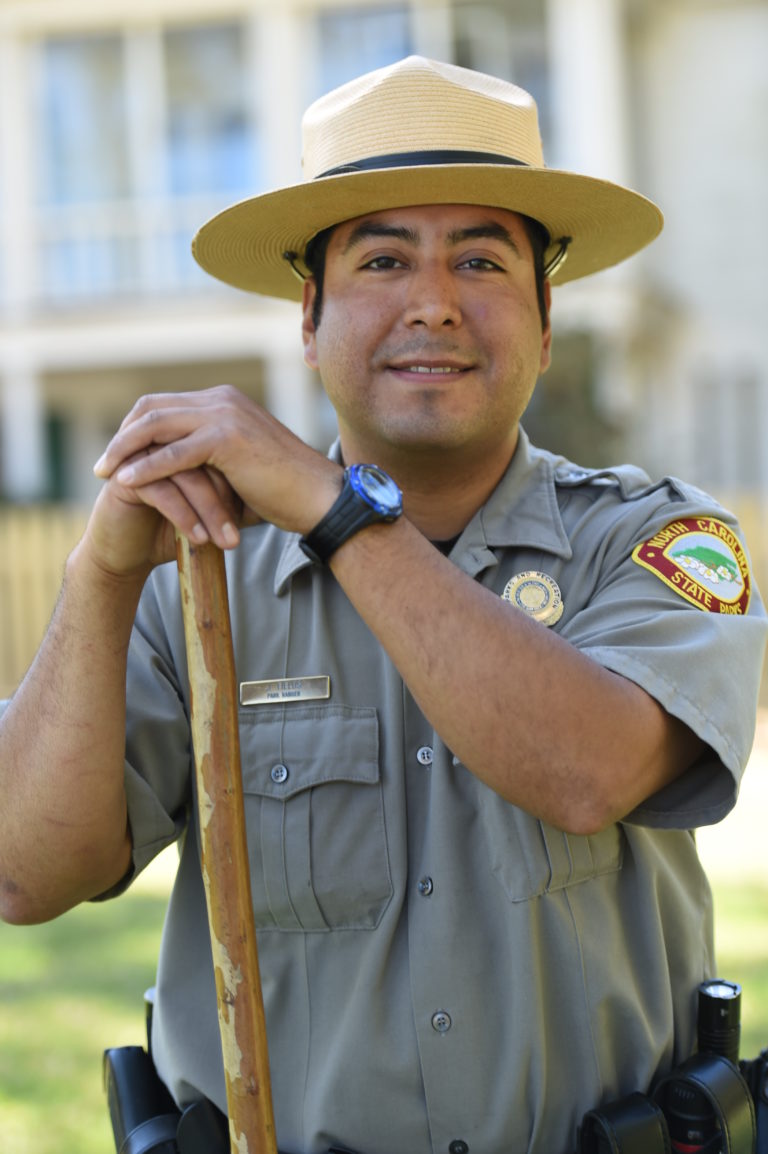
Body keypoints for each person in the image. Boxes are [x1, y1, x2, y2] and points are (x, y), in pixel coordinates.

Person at [0, 55, 766, 1154]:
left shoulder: (659, 542)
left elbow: (584, 767)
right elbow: (26, 873)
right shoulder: (197, 581)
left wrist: (336, 510)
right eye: (383, 257)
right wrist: (103, 572)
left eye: (482, 258)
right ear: (309, 317)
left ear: (545, 324)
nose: (434, 300)